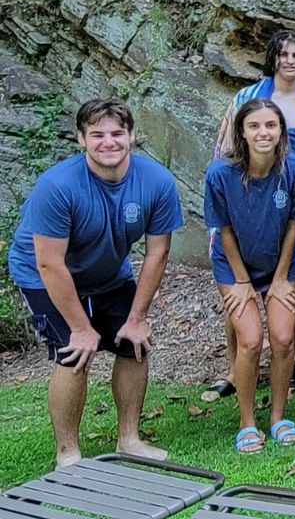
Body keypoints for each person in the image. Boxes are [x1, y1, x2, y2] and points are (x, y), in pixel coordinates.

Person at [7, 99, 182, 468]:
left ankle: (129, 440)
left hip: (106, 272)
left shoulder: (157, 182)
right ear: (81, 139)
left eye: (117, 133)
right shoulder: (57, 185)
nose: (109, 142)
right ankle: (68, 453)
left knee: (135, 345)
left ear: (132, 136)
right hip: (43, 274)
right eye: (97, 134)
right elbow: (49, 263)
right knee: (75, 354)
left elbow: (157, 254)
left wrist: (137, 317)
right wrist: (80, 328)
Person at [207, 30, 295, 399]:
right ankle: (235, 367)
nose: (290, 61)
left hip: (293, 203)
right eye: (283, 54)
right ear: (272, 58)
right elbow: (225, 147)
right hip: (245, 200)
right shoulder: (248, 97)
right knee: (238, 295)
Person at [204, 98, 295, 453]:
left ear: (281, 129)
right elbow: (223, 230)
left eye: (270, 125)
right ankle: (247, 421)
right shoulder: (220, 174)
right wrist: (242, 283)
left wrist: (281, 278)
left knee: (284, 339)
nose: (263, 133)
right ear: (241, 131)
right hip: (233, 266)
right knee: (251, 340)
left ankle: (278, 416)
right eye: (254, 126)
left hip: (278, 265)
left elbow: (294, 227)